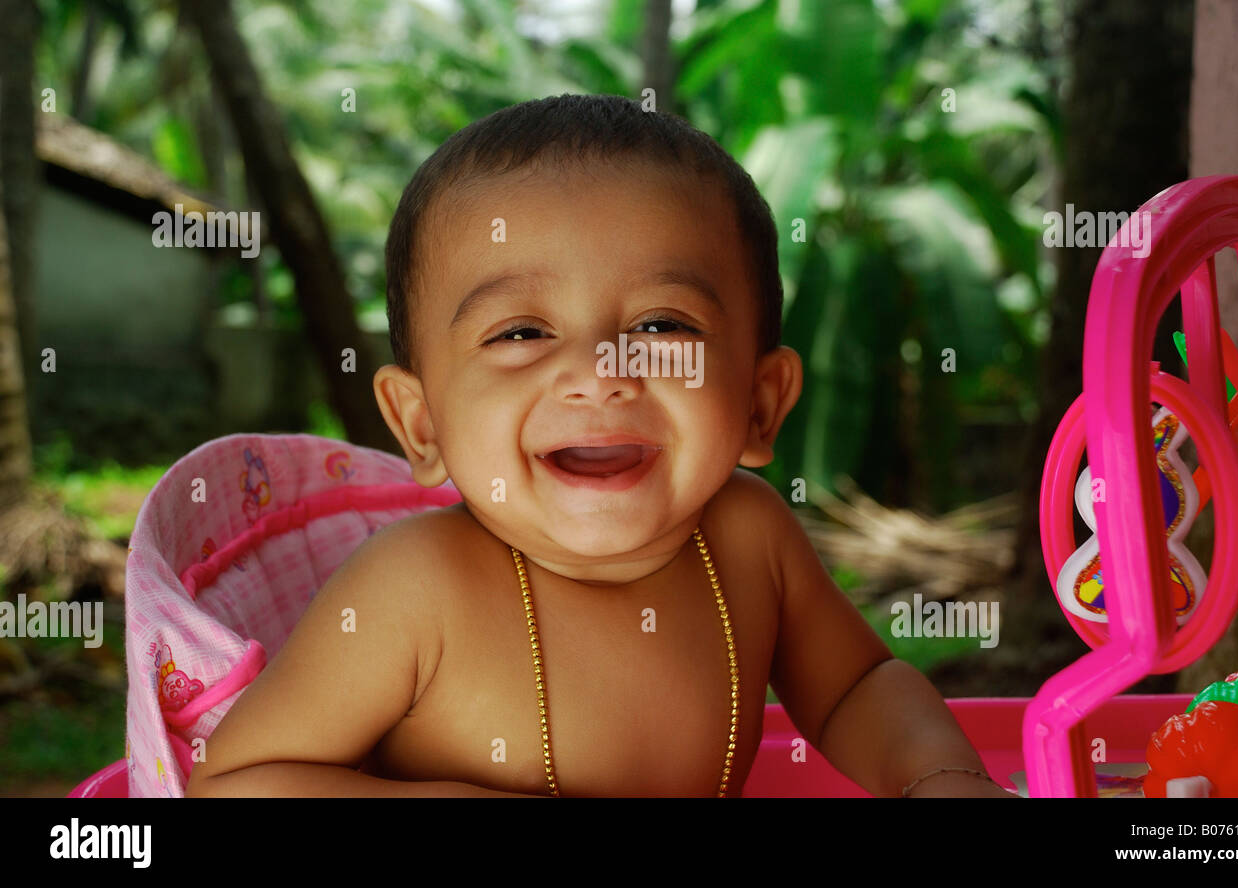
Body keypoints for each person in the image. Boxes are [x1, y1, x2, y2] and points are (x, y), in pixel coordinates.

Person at [185, 94, 1012, 797]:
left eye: (661, 324)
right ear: (423, 425)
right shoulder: (416, 587)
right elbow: (240, 782)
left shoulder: (751, 539)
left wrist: (939, 778)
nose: (598, 373)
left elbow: (857, 690)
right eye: (521, 331)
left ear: (761, 406)